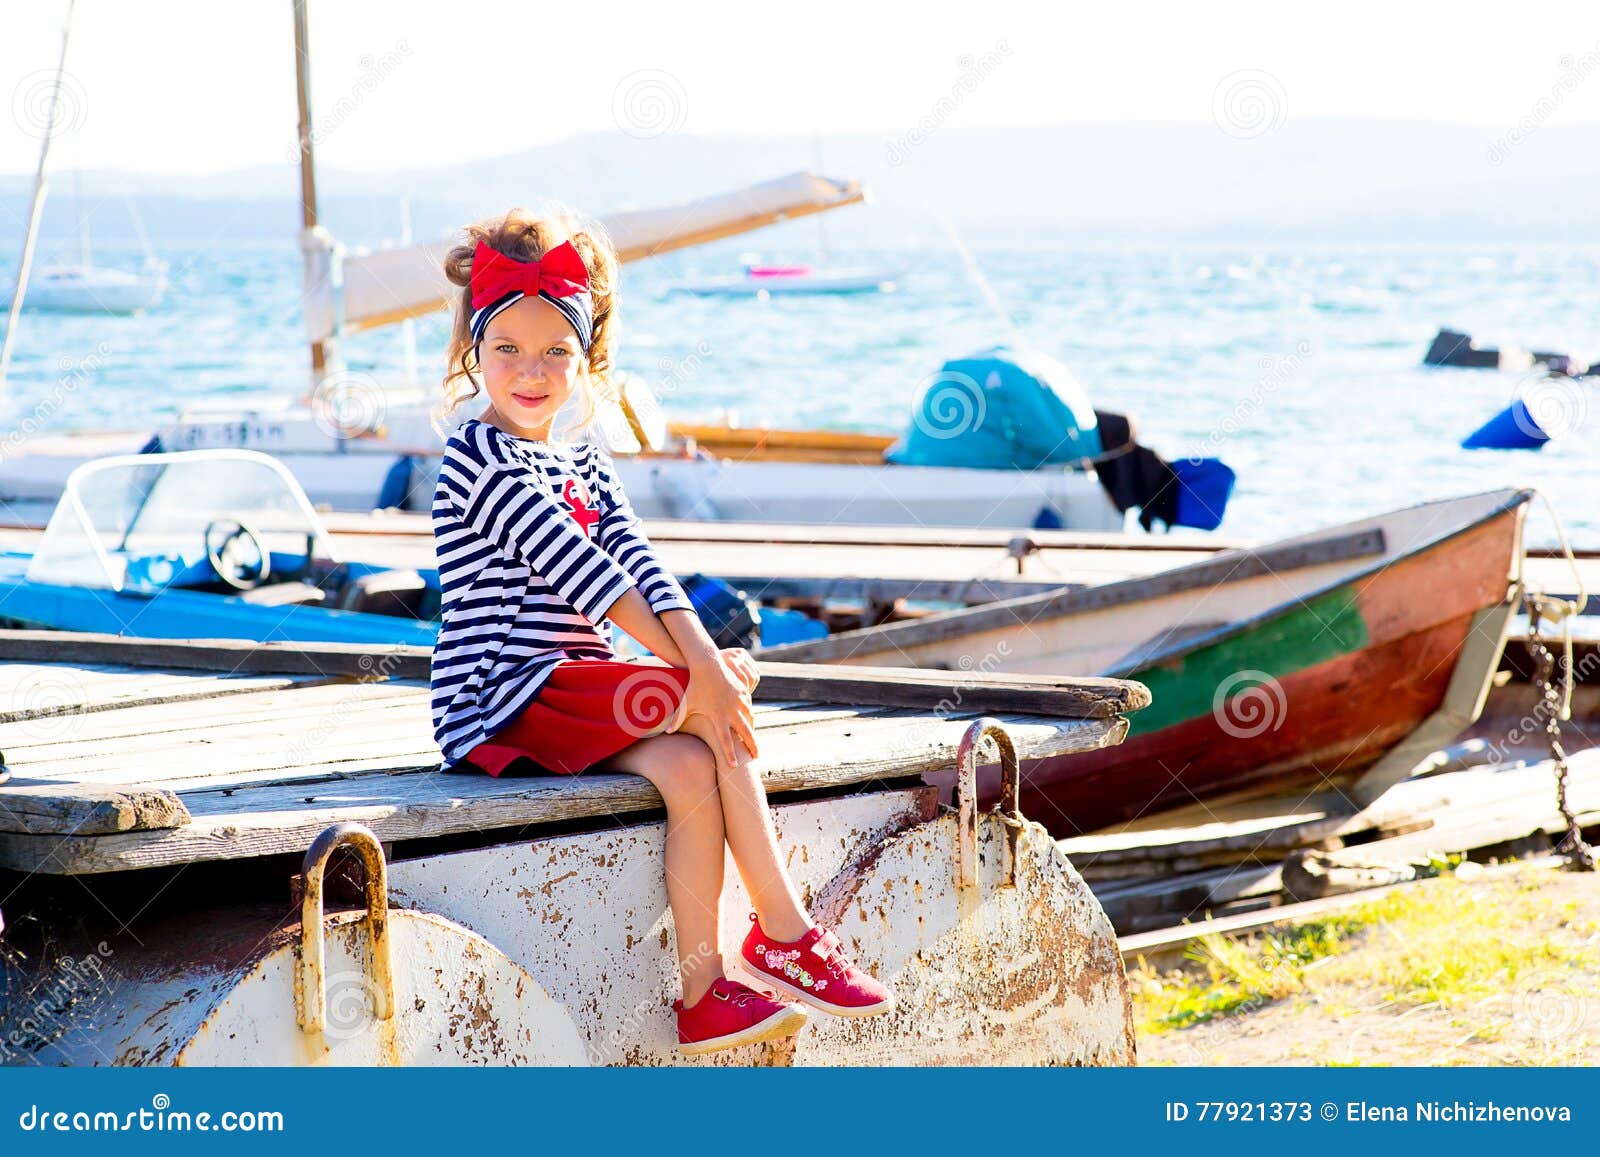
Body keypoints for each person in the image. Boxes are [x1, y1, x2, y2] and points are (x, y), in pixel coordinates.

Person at [428, 207, 893, 1057]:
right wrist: (700, 676)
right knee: (705, 703)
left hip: (574, 680)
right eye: (508, 351)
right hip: (501, 695)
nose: (531, 373)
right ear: (474, 350)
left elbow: (638, 561)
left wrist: (706, 660)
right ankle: (784, 934)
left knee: (689, 760)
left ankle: (701, 987)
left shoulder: (582, 459)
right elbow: (585, 576)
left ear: (587, 356)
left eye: (555, 353)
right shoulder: (477, 456)